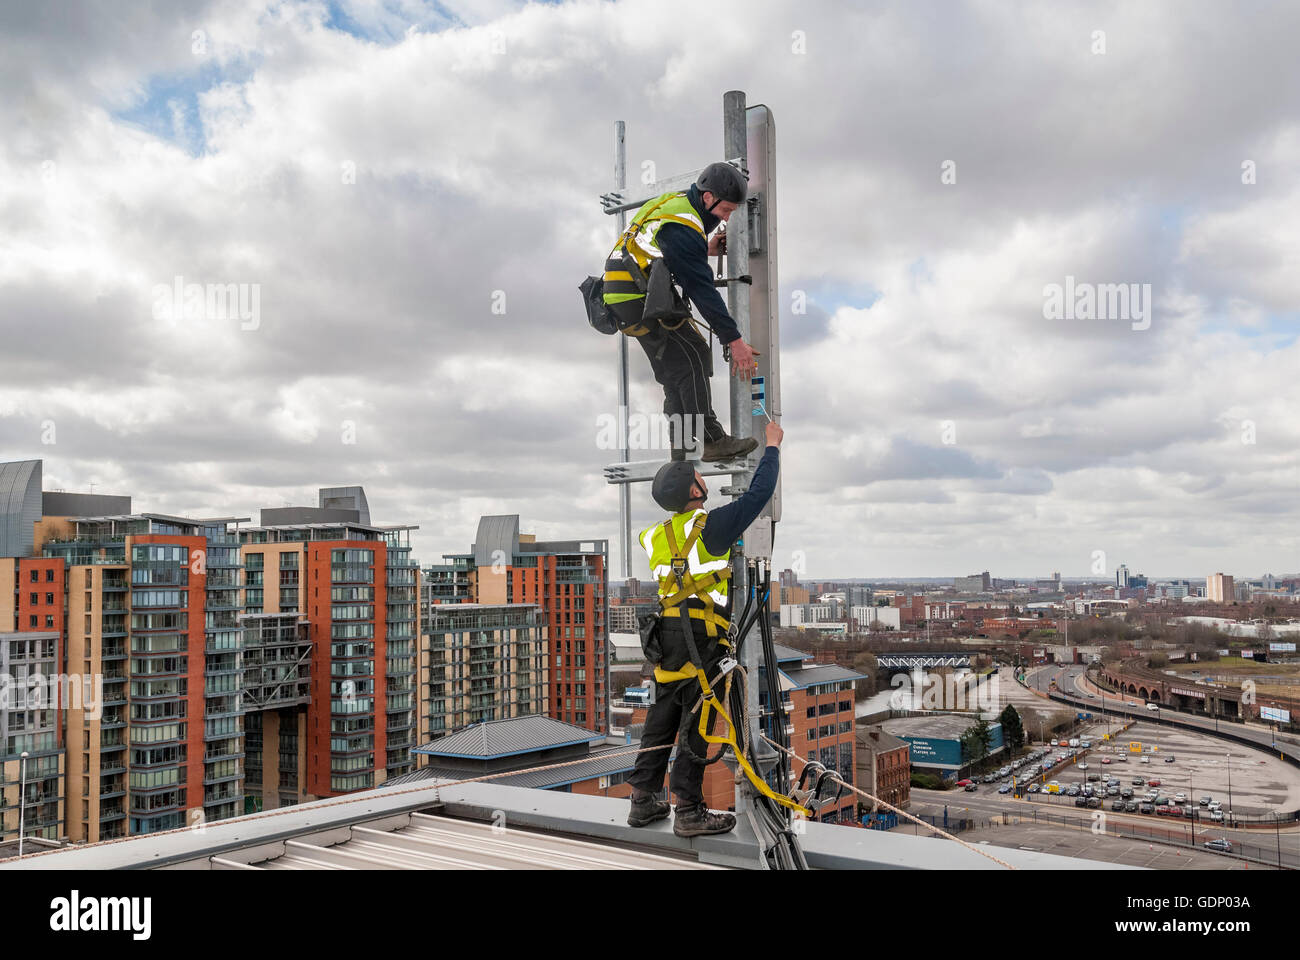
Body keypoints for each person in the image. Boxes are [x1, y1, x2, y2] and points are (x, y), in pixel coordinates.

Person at [626, 420, 783, 836]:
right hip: (701, 637)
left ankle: (642, 800)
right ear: (694, 492)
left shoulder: (655, 535)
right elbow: (759, 495)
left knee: (663, 713)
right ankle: (690, 811)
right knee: (698, 718)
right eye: (698, 477)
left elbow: (654, 543)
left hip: (665, 636)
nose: (703, 477)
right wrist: (771, 447)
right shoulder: (711, 528)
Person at [602, 161, 760, 462]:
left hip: (624, 297)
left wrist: (707, 247)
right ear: (708, 197)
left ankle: (683, 447)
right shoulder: (683, 227)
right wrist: (734, 341)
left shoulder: (673, 206)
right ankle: (713, 441)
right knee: (694, 354)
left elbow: (667, 248)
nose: (727, 217)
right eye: (725, 210)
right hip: (638, 297)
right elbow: (702, 289)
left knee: (676, 370)